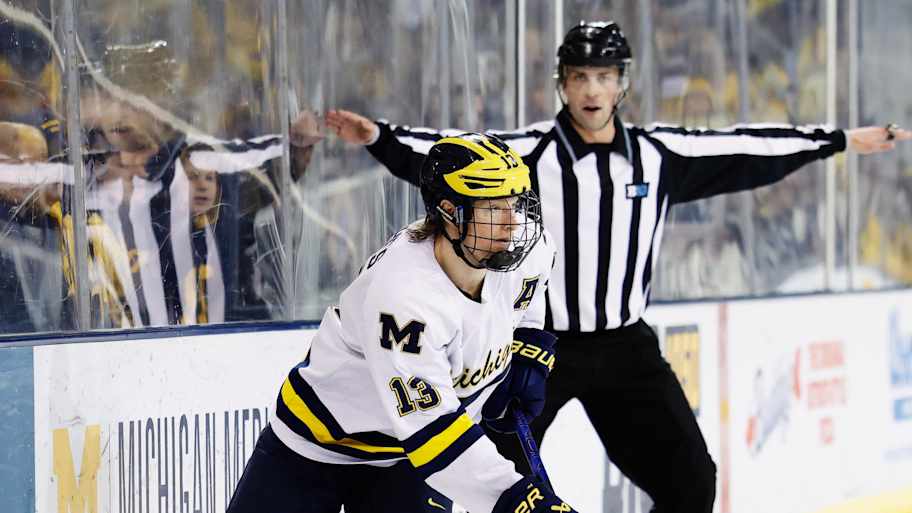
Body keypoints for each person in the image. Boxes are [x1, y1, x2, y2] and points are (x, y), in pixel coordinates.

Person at [325, 20, 912, 513]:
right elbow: (446, 155)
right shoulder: (527, 154)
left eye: (603, 76)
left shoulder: (659, 156)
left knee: (690, 482)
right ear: (562, 83)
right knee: (496, 484)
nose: (591, 89)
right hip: (536, 345)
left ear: (621, 84)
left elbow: (748, 148)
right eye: (579, 76)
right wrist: (379, 137)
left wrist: (838, 141)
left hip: (627, 349)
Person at [227, 133, 574, 513]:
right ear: (450, 213)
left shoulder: (529, 249)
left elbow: (527, 297)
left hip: (411, 459)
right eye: (493, 208)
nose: (512, 223)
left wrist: (525, 350)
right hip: (320, 443)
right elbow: (434, 433)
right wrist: (517, 499)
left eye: (515, 201)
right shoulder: (404, 296)